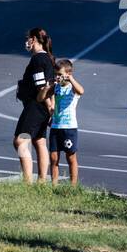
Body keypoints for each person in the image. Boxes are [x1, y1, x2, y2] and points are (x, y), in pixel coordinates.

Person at [14, 27, 55, 183]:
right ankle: (42, 180)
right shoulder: (48, 58)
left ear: (35, 39)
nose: (27, 41)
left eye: (28, 38)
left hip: (36, 105)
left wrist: (48, 105)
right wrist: (50, 107)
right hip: (42, 107)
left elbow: (41, 86)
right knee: (39, 140)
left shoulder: (38, 59)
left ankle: (27, 181)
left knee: (20, 141)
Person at [48, 58, 84, 186]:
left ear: (68, 74)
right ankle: (54, 185)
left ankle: (73, 186)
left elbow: (81, 91)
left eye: (59, 74)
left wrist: (70, 79)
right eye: (56, 74)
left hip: (69, 127)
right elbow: (52, 103)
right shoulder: (56, 87)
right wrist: (51, 112)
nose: (57, 77)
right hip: (55, 126)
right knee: (53, 158)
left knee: (71, 157)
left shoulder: (72, 88)